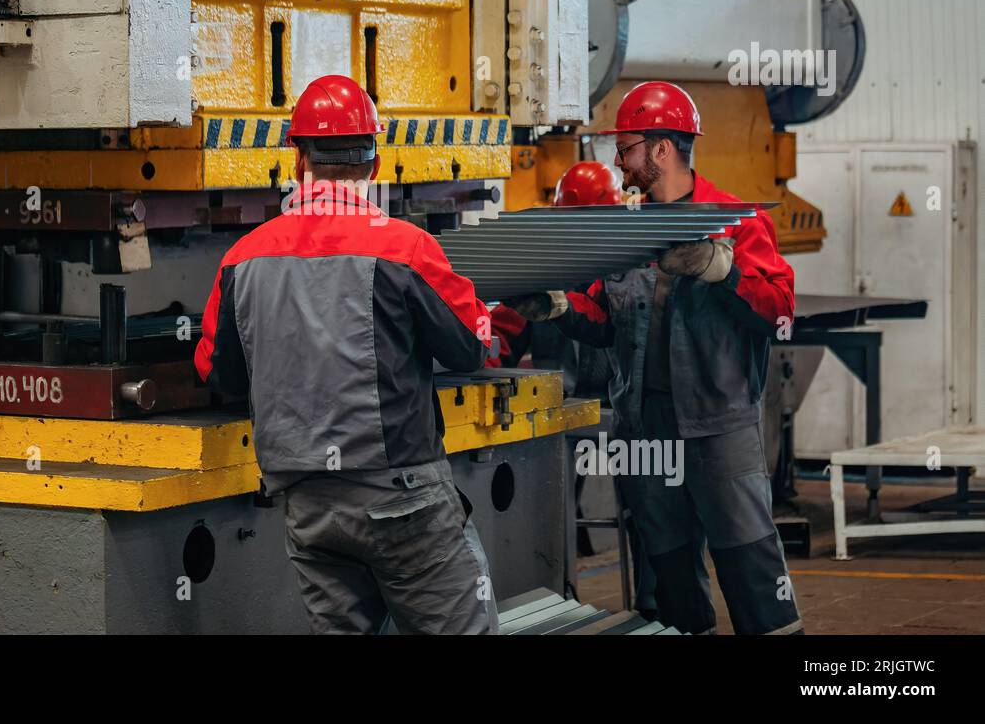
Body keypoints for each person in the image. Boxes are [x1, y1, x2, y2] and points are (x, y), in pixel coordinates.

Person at [195, 74, 499, 634]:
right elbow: (469, 348)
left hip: (308, 506)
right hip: (400, 498)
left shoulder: (242, 258)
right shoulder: (405, 247)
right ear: (375, 166)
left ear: (297, 160)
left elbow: (219, 374)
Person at [506, 81, 802, 635]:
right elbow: (602, 323)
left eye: (626, 147)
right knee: (668, 576)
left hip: (719, 428)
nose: (617, 160)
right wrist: (556, 307)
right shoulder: (628, 230)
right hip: (644, 430)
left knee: (751, 568)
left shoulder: (735, 222)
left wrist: (724, 271)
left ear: (662, 149)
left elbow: (780, 312)